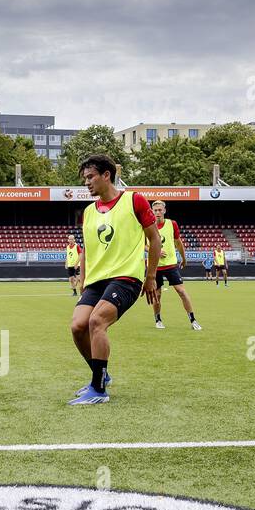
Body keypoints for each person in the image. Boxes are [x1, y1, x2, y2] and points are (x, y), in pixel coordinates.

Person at [68, 153, 160, 405]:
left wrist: (150, 276)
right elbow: (86, 250)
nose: (86, 183)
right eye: (84, 178)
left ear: (106, 175)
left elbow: (154, 239)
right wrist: (84, 281)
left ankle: (98, 390)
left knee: (97, 322)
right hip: (97, 281)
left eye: (90, 177)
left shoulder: (135, 201)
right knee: (77, 326)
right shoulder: (88, 212)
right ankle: (101, 374)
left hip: (126, 277)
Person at [151, 200, 201, 330]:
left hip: (171, 265)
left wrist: (184, 258)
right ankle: (158, 320)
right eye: (155, 210)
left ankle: (193, 320)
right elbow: (143, 245)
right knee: (157, 296)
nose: (157, 212)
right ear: (152, 211)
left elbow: (178, 243)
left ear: (164, 211)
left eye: (160, 210)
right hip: (154, 267)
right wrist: (155, 249)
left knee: (182, 292)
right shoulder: (148, 226)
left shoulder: (172, 224)